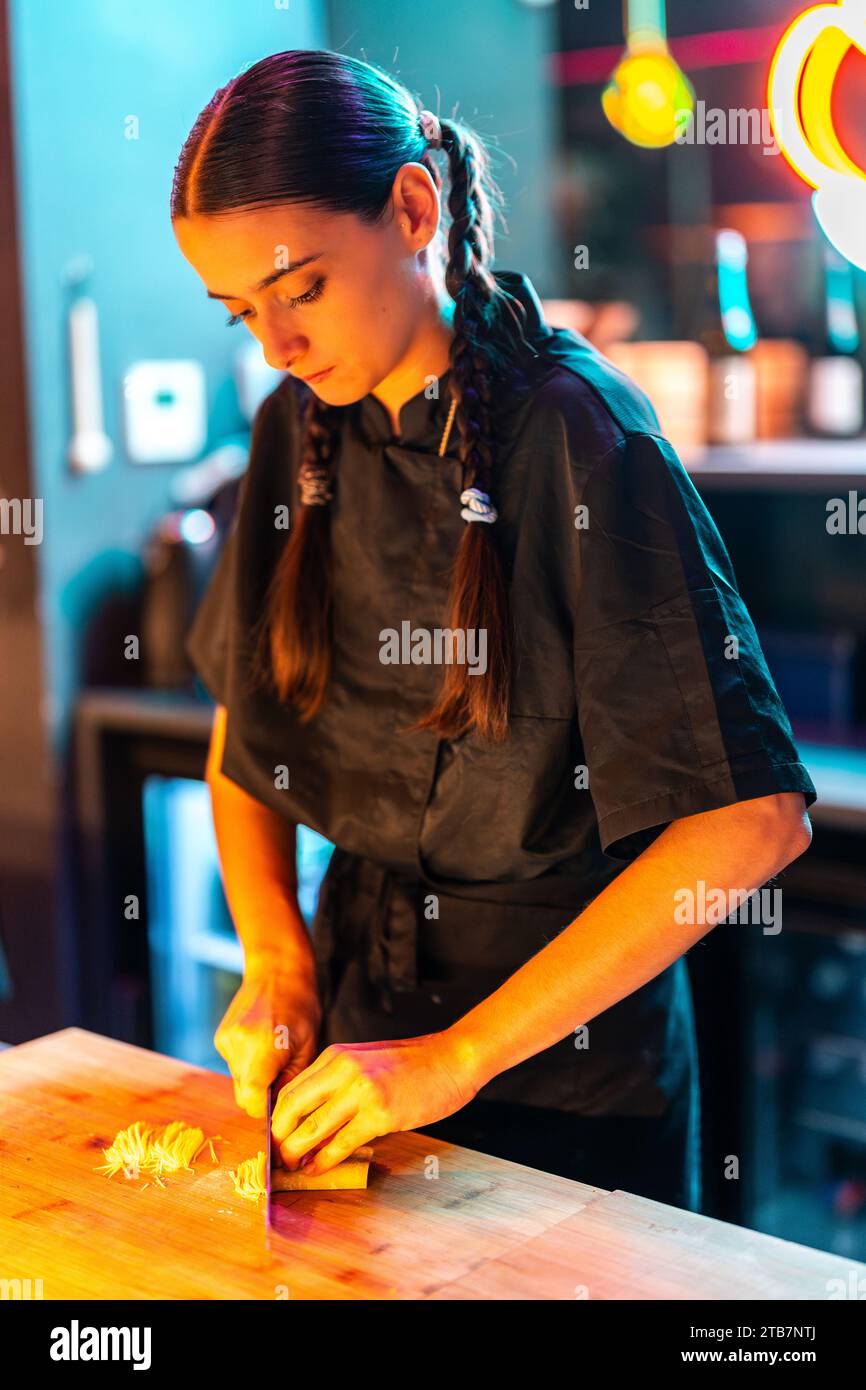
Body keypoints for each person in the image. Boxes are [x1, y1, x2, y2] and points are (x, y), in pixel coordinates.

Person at [171, 49, 817, 1212]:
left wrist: (458, 1054)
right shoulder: (294, 424)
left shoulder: (581, 436)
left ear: (411, 208)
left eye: (300, 288)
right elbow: (246, 734)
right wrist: (275, 955)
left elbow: (748, 824)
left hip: (568, 1092)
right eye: (242, 310)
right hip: (359, 1062)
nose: (275, 343)